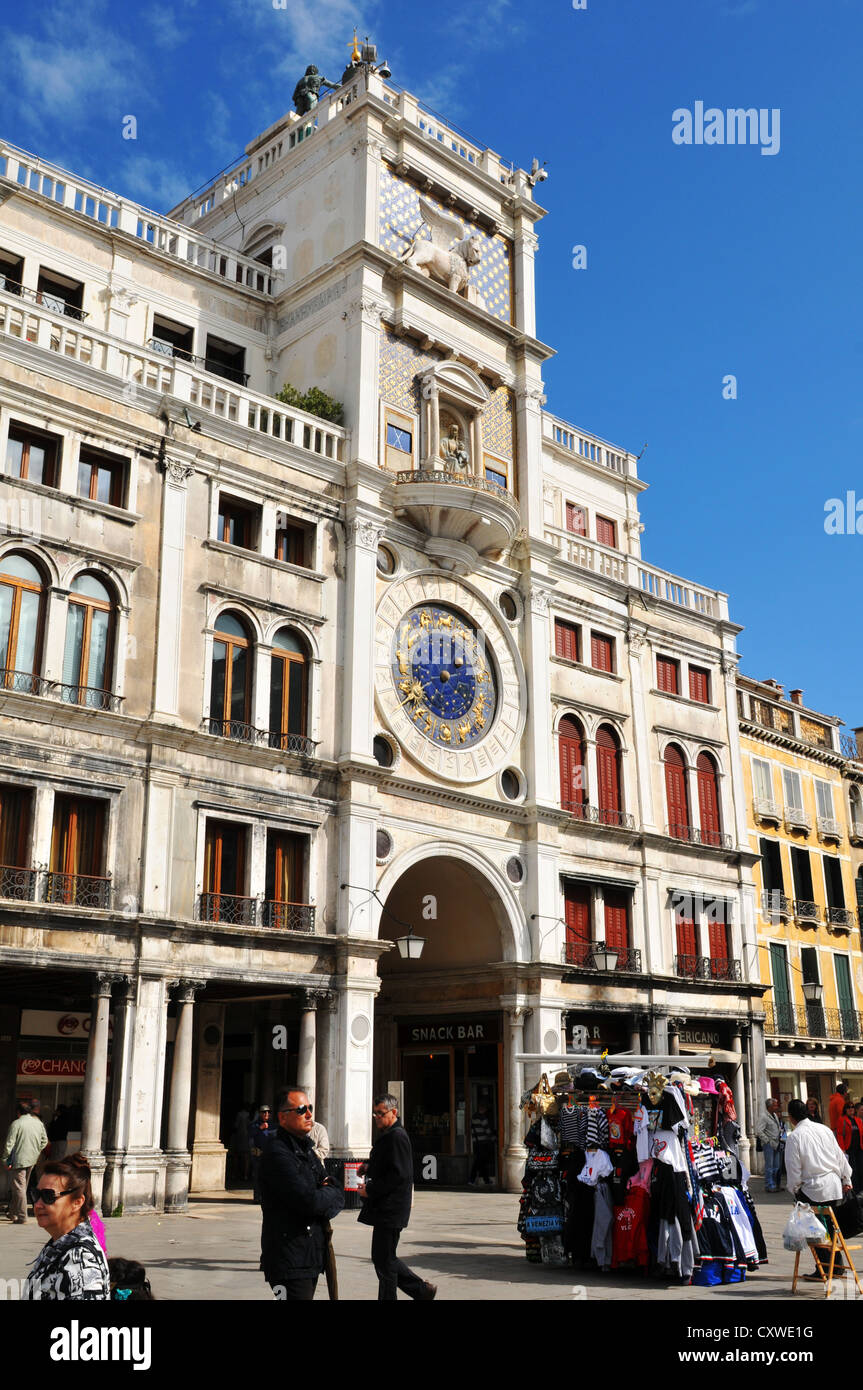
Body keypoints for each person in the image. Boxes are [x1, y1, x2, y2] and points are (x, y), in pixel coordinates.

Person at [259, 1088, 344, 1301]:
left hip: (310, 1253)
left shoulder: (306, 1149)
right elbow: (308, 1201)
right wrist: (324, 1192)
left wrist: (327, 1191)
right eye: (301, 1110)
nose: (308, 1114)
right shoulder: (277, 1153)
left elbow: (337, 1193)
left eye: (310, 1108)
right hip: (289, 1256)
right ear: (283, 1117)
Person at [358, 1093, 436, 1301]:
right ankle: (421, 1291)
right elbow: (389, 1163)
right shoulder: (389, 1134)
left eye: (380, 1114)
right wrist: (368, 1166)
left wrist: (370, 1191)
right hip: (386, 1209)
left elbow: (398, 1175)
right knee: (384, 1258)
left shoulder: (397, 1136)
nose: (376, 1118)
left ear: (394, 1112)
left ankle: (419, 1291)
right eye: (374, 1114)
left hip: (392, 1208)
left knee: (384, 1259)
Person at [22, 1153, 110, 1299]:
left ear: (77, 1202)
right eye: (35, 1194)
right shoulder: (61, 1242)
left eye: (48, 1196)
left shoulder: (81, 1258)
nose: (37, 1204)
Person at [785, 1097, 852, 1204]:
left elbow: (793, 1168)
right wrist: (846, 1179)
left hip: (812, 1190)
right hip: (834, 1187)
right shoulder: (825, 1129)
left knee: (812, 1220)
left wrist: (795, 1189)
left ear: (791, 1117)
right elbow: (840, 1157)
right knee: (830, 1219)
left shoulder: (794, 1137)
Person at [2, 1100, 48, 1224]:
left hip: (19, 1160)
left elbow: (9, 1144)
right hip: (32, 1159)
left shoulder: (16, 1124)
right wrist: (36, 1151)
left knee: (19, 1188)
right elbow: (44, 1141)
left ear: (18, 1113)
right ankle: (13, 1213)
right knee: (21, 1187)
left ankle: (22, 1216)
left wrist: (5, 1159)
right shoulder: (38, 1123)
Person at [755, 1098, 786, 1193]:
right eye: (775, 1105)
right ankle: (769, 1185)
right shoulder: (764, 1116)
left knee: (777, 1166)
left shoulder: (775, 1115)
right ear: (770, 1106)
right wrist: (767, 1140)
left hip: (777, 1143)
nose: (777, 1107)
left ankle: (776, 1184)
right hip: (769, 1144)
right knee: (770, 1166)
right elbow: (759, 1130)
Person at [248, 1104, 278, 1203]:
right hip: (258, 1156)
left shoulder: (273, 1125)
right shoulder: (254, 1125)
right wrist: (259, 1128)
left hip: (269, 1156)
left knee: (269, 1177)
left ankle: (267, 1197)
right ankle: (257, 1197)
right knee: (257, 1177)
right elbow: (250, 1134)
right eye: (264, 1112)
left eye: (268, 1112)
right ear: (260, 1114)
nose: (266, 1114)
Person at [836, 1101, 863, 1193]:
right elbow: (839, 1135)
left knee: (861, 1168)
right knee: (852, 1169)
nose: (851, 1109)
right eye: (848, 1107)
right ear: (845, 1110)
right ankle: (855, 1189)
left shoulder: (858, 1120)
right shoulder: (842, 1120)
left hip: (859, 1148)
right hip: (849, 1148)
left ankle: (861, 1188)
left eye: (852, 1107)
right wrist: (842, 1149)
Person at [469, 1101, 497, 1187]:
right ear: (484, 1109)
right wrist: (494, 1139)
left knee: (481, 1162)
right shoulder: (482, 1118)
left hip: (476, 1142)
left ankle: (486, 1180)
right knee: (479, 1162)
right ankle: (472, 1180)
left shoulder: (474, 1117)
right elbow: (487, 1130)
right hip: (483, 1143)